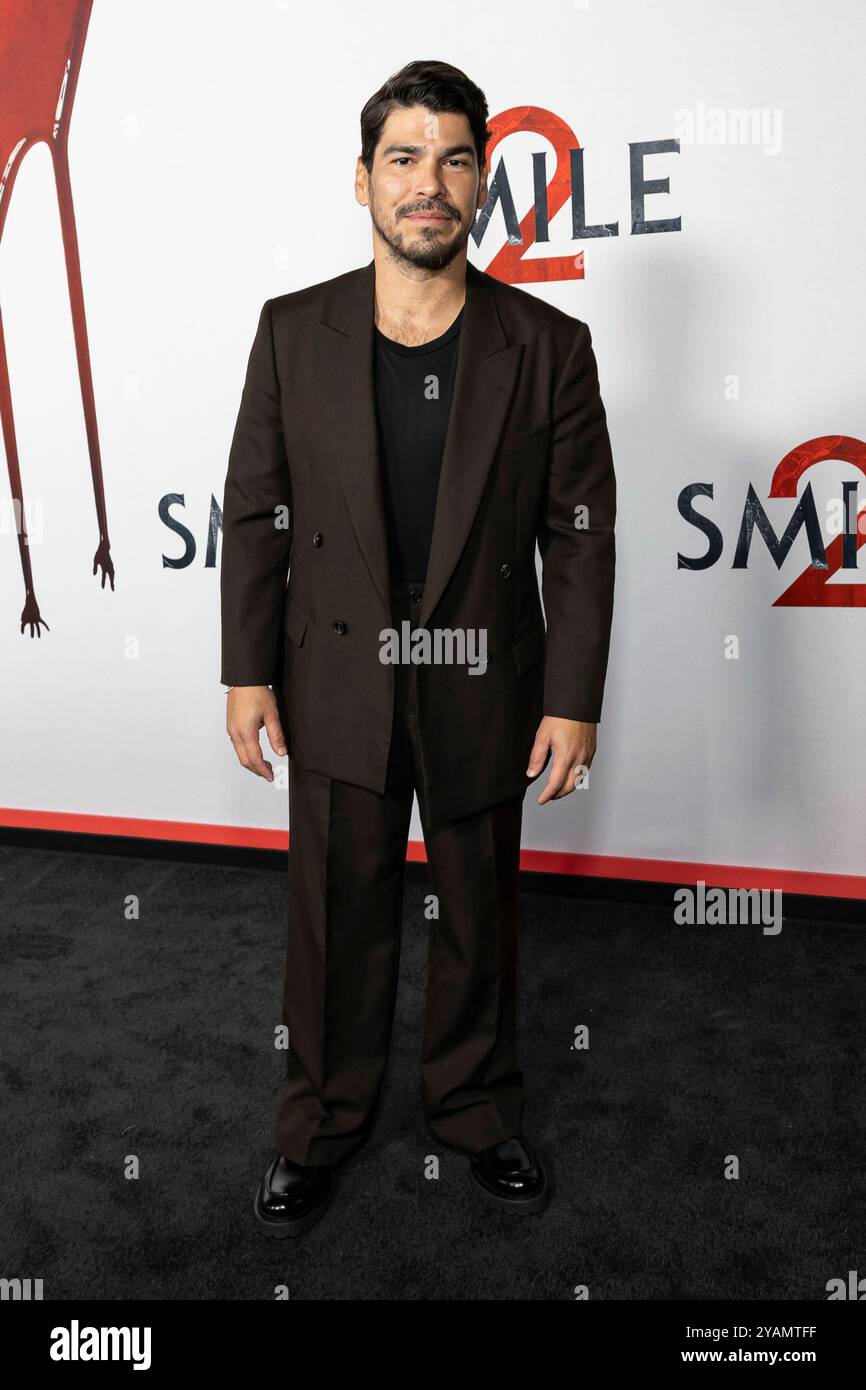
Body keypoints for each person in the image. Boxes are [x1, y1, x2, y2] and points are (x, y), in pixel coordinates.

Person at [220, 59, 617, 1237]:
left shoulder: (547, 344)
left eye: (452, 159)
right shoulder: (293, 330)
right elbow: (254, 510)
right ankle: (320, 1128)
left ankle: (476, 1112)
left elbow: (580, 535)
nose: (426, 183)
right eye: (402, 158)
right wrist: (245, 669)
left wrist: (572, 694)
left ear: (481, 182)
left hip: (483, 671)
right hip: (335, 664)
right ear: (362, 181)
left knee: (476, 914)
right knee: (332, 920)